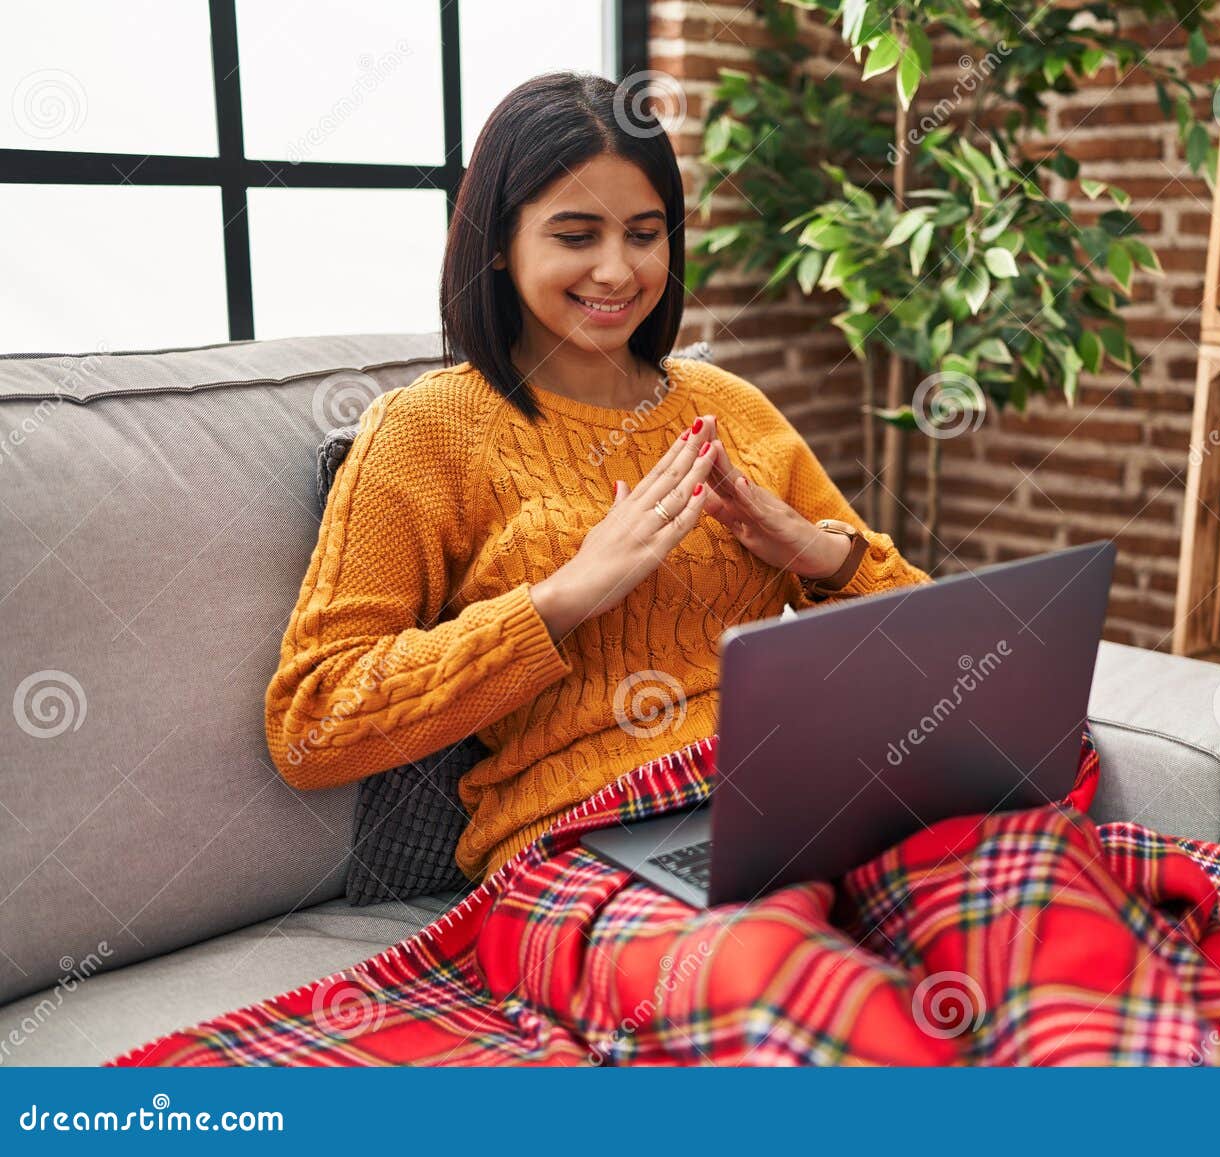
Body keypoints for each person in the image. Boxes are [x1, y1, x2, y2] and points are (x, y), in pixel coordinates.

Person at [263, 72, 930, 884]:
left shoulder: (730, 407)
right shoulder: (425, 430)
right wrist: (562, 598)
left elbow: (931, 655)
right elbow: (313, 725)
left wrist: (820, 555)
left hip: (793, 789)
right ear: (499, 245)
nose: (616, 270)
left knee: (1032, 882)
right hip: (584, 842)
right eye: (576, 236)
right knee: (775, 948)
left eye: (644, 234)